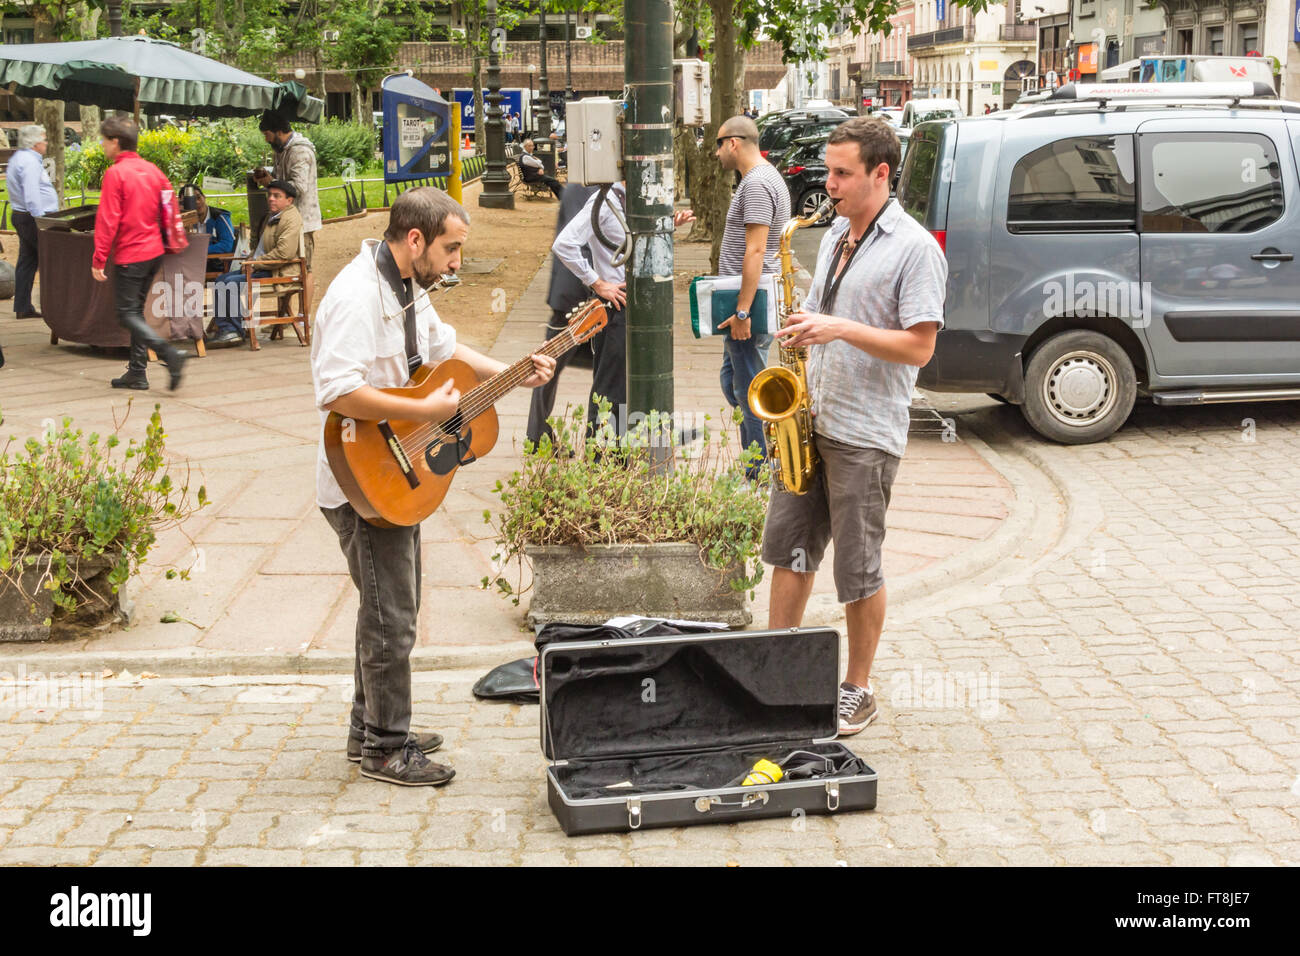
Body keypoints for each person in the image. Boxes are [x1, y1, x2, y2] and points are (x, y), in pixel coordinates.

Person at [312, 188, 555, 786]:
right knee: (393, 619)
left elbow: (446, 349)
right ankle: (386, 750)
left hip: (400, 474)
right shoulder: (355, 296)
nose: (456, 262)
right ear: (415, 239)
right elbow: (337, 392)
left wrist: (513, 372)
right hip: (362, 480)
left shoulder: (406, 285)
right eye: (451, 248)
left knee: (390, 611)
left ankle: (367, 727)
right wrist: (423, 412)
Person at [762, 116, 946, 735]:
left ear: (880, 173)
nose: (829, 183)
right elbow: (820, 307)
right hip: (812, 414)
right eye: (829, 170)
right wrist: (801, 322)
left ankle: (857, 688)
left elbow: (919, 347)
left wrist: (838, 328)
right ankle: (771, 667)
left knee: (857, 568)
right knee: (790, 548)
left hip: (865, 430)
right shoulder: (839, 231)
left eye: (842, 173)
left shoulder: (917, 249)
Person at [713, 114, 791, 477]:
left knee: (748, 391)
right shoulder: (761, 178)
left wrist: (743, 312)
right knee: (733, 381)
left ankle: (759, 471)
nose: (715, 154)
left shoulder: (757, 184)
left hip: (750, 302)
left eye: (718, 144)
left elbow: (756, 251)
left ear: (733, 143)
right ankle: (761, 455)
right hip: (747, 299)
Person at [91, 117, 187, 391]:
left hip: (131, 253)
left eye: (104, 139)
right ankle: (137, 371)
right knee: (135, 311)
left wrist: (99, 258)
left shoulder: (116, 173)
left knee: (126, 313)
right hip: (154, 250)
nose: (102, 144)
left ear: (116, 142)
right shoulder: (153, 171)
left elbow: (108, 219)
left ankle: (170, 355)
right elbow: (169, 210)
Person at [526, 182, 598, 445]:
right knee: (549, 367)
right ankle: (539, 435)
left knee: (550, 366)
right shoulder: (590, 192)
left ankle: (537, 435)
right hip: (579, 293)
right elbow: (582, 245)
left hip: (566, 291)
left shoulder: (574, 189)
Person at [209, 180, 302, 346]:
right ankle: (228, 330)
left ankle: (233, 331)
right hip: (260, 266)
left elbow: (284, 253)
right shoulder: (272, 216)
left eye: (277, 196)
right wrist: (250, 260)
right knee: (220, 280)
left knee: (230, 283)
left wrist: (255, 263)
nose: (271, 199)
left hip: (277, 270)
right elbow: (261, 248)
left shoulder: (290, 219)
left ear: (289, 200)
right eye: (270, 195)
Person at [254, 111, 319, 297]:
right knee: (285, 270)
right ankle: (285, 321)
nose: (266, 140)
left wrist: (271, 183)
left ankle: (301, 319)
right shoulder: (282, 151)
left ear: (278, 131)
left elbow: (299, 186)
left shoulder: (299, 151)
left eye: (267, 134)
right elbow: (281, 179)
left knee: (304, 268)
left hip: (302, 220)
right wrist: (268, 177)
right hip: (285, 218)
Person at [6, 124, 58, 319]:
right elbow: (32, 194)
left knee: (27, 261)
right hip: (33, 218)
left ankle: (22, 306)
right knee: (51, 260)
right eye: (43, 138)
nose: (46, 142)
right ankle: (56, 306)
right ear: (35, 142)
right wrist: (41, 221)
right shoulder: (29, 162)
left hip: (22, 216)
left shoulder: (20, 158)